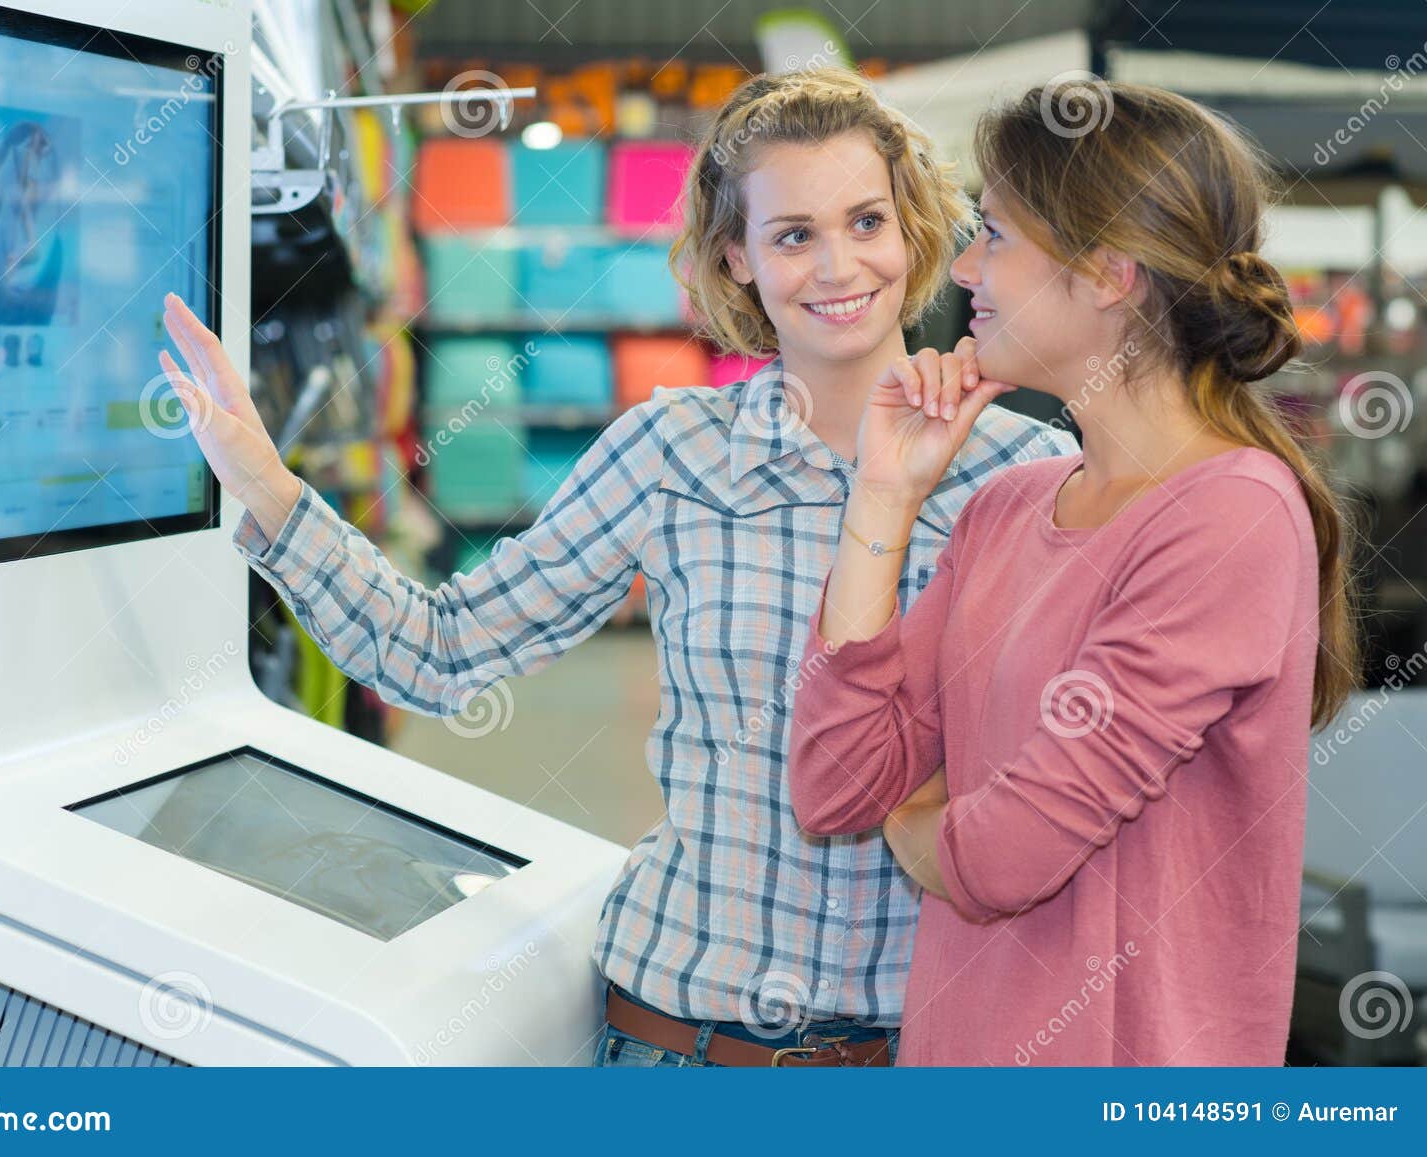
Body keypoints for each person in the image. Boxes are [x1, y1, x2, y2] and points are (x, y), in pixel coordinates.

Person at [156, 68, 1074, 1068]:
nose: (838, 264)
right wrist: (268, 486)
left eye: (865, 221)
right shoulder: (674, 450)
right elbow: (439, 650)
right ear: (738, 259)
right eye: (792, 234)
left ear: (912, 232)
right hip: (680, 1044)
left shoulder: (1021, 474)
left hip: (929, 1053)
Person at [788, 80, 1358, 1065]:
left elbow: (1005, 855)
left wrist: (919, 813)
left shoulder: (1233, 515)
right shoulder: (1008, 505)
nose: (962, 267)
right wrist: (882, 497)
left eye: (993, 234)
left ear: (1106, 273)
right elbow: (834, 783)